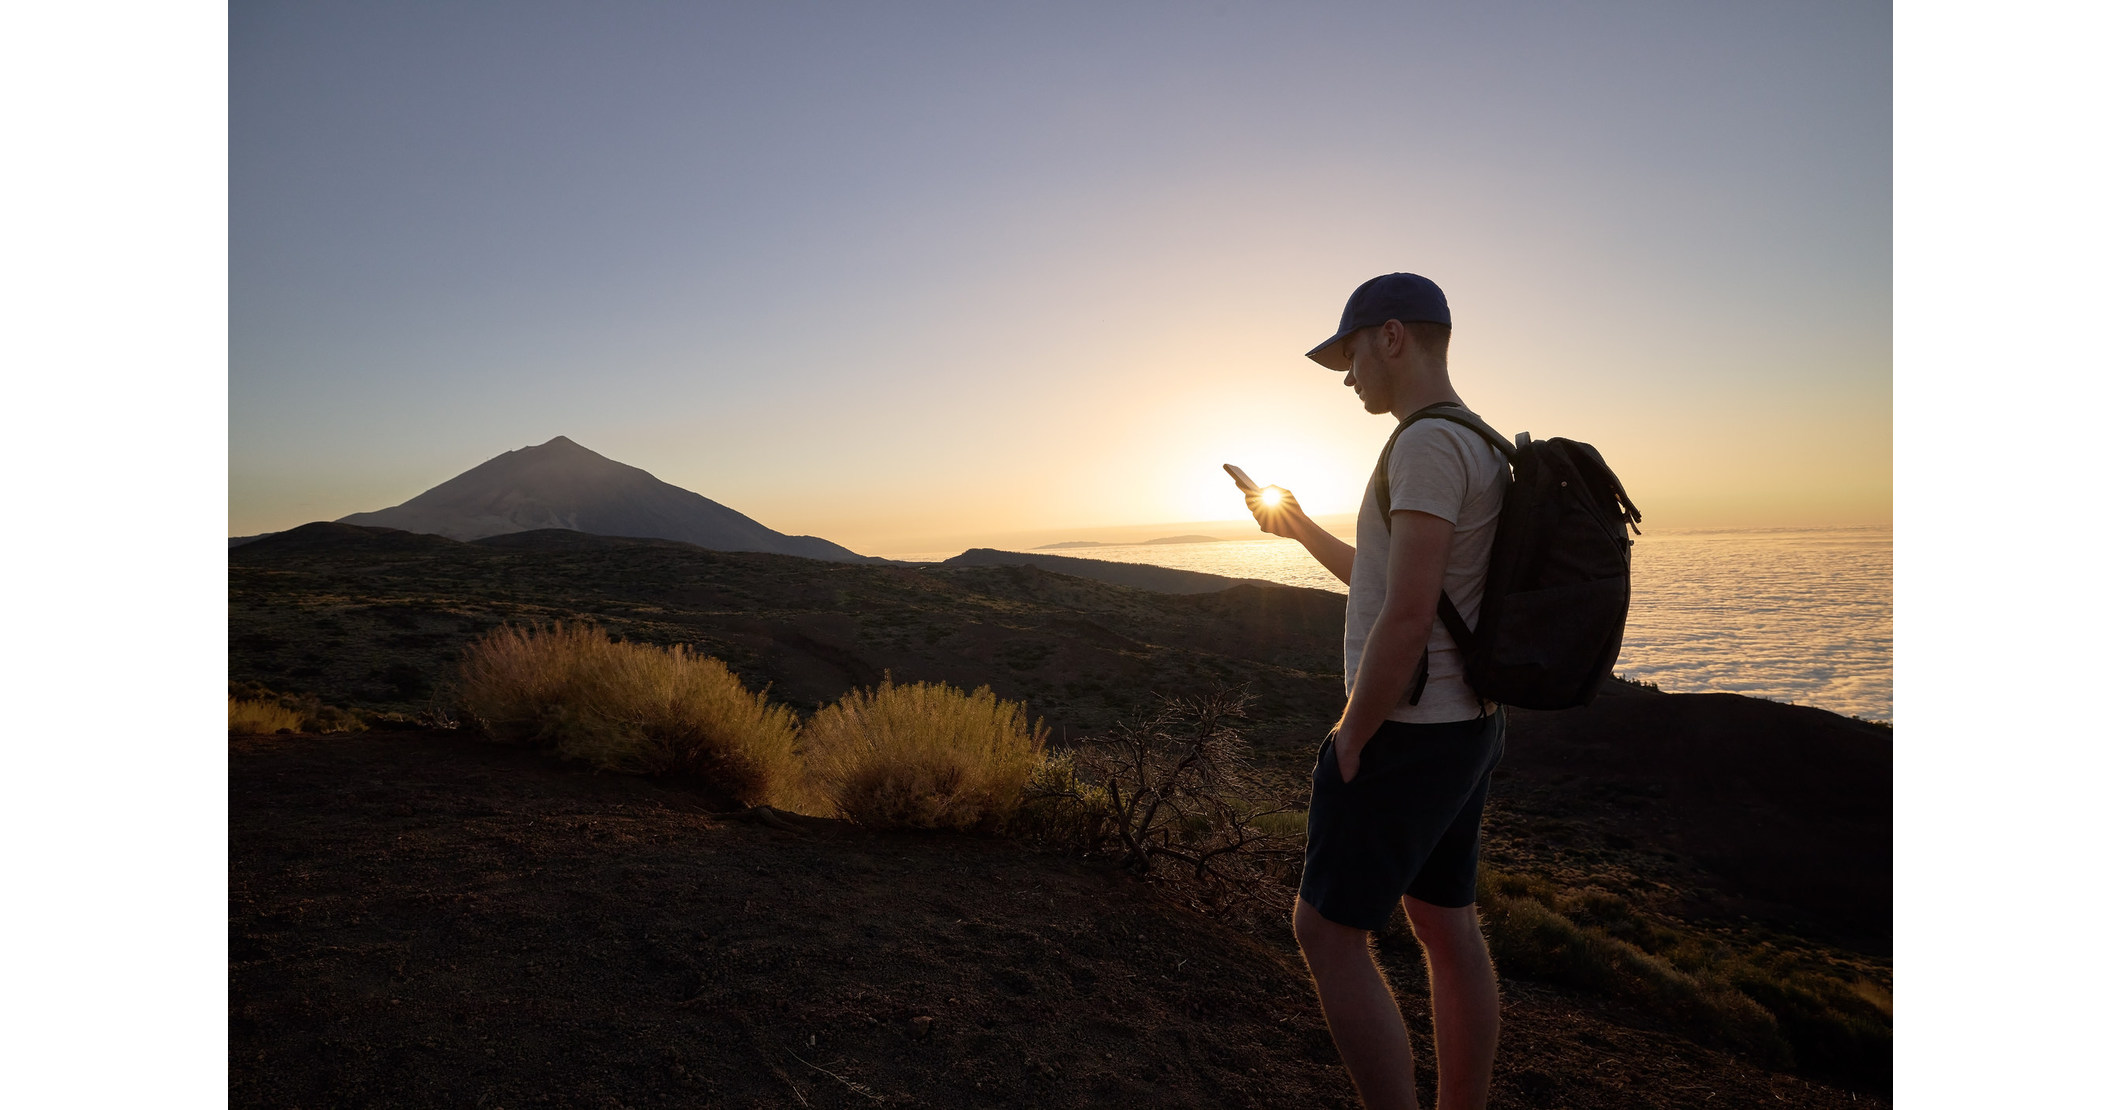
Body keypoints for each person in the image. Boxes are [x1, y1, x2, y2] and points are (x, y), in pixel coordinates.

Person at [1242, 272, 1510, 1110]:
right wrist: (1296, 529)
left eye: (1351, 354)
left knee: (1325, 930)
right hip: (1467, 722)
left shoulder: (1424, 445)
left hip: (1407, 729)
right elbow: (1394, 582)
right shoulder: (1481, 442)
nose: (1348, 375)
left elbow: (1408, 611)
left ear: (1392, 336)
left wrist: (1353, 733)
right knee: (1443, 923)